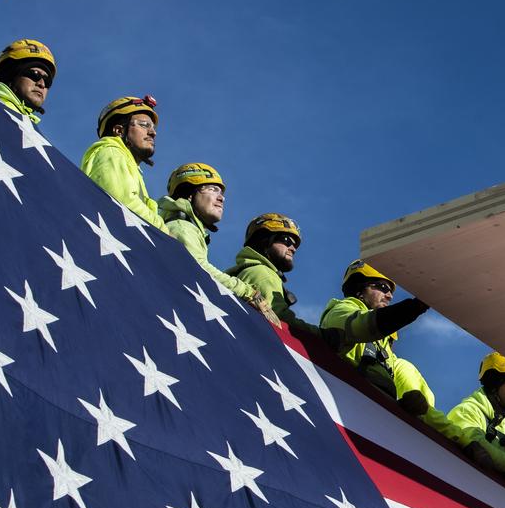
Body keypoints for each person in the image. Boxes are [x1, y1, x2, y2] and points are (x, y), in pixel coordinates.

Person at [319, 261, 472, 448]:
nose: (389, 295)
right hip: (345, 417)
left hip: (374, 426)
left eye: (390, 291)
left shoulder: (386, 355)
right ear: (359, 289)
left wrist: (465, 441)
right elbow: (360, 326)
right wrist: (417, 305)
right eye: (382, 287)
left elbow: (423, 409)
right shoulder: (341, 310)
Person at [157, 163, 277, 324]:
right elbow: (197, 268)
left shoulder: (189, 229)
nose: (221, 198)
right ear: (189, 194)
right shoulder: (183, 228)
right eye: (212, 189)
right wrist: (247, 291)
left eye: (221, 192)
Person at [226, 213, 340, 343]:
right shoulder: (262, 273)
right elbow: (281, 320)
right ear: (264, 240)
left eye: (295, 245)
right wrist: (323, 336)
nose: (293, 249)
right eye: (287, 241)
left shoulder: (251, 270)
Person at [80, 95, 168, 232]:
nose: (153, 132)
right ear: (119, 131)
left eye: (153, 127)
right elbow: (122, 201)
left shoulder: (128, 164)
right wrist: (166, 234)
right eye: (144, 125)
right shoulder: (111, 152)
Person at [0, 39, 55, 123]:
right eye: (35, 74)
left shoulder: (32, 132)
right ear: (10, 75)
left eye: (47, 80)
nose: (42, 84)